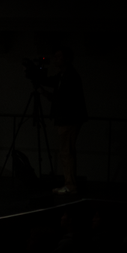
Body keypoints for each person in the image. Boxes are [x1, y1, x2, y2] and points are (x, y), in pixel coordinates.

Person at [40, 47, 86, 195]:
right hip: (68, 119)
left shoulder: (70, 76)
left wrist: (46, 94)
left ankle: (70, 185)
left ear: (66, 59)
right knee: (66, 152)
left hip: (68, 119)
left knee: (67, 153)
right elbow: (51, 83)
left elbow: (63, 99)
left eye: (59, 57)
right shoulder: (64, 75)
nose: (55, 59)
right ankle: (70, 184)